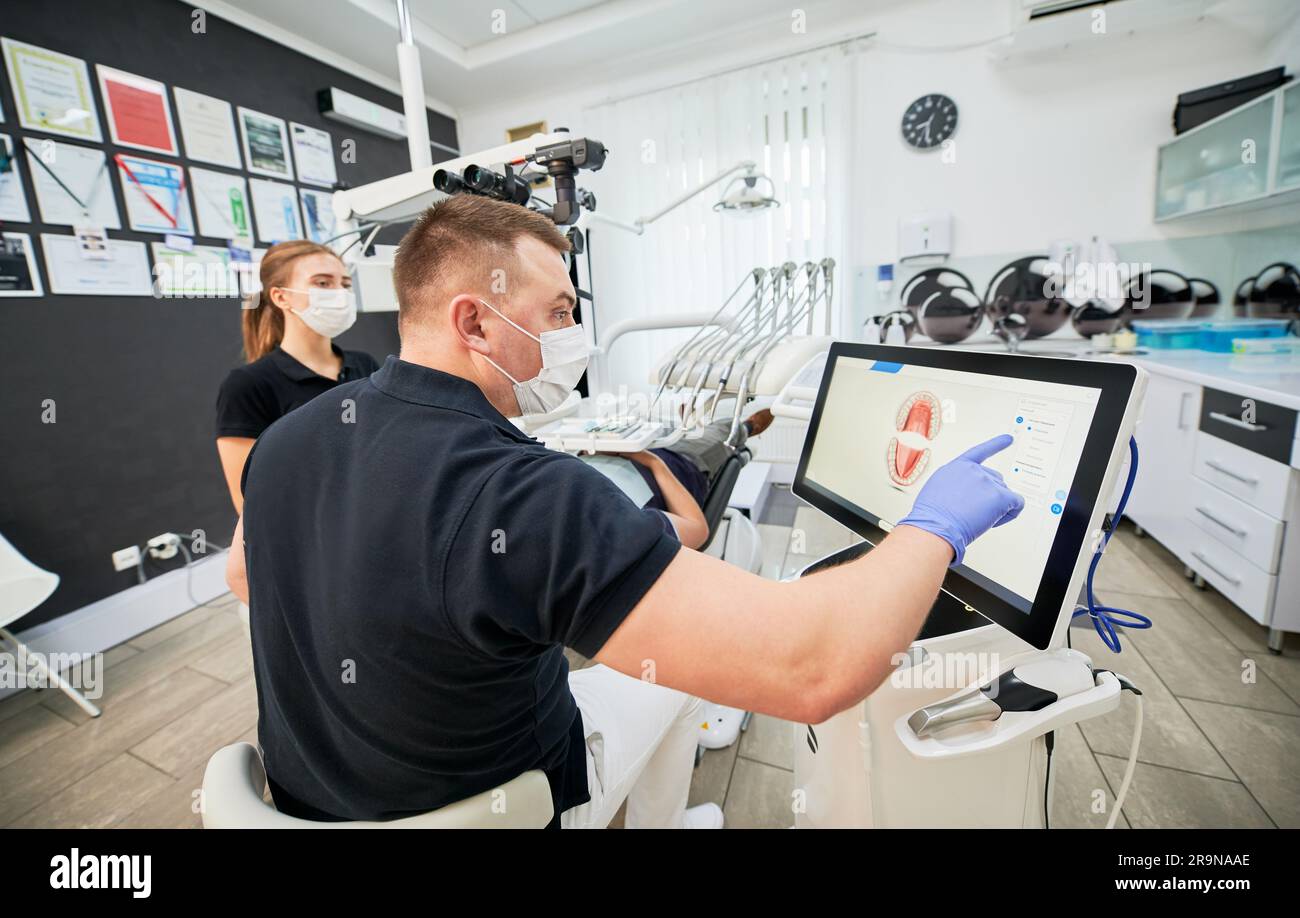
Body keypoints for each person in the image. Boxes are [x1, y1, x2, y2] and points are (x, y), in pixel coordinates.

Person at [226, 194, 1023, 829]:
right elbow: (811, 667)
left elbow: (246, 577)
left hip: (311, 798)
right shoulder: (525, 492)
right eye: (560, 314)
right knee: (667, 680)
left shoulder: (288, 438)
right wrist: (935, 525)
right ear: (474, 319)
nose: (574, 336)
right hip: (495, 809)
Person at [214, 240, 379, 514]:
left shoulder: (364, 365)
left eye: (345, 284)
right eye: (323, 283)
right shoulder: (248, 386)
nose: (339, 293)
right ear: (281, 297)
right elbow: (248, 502)